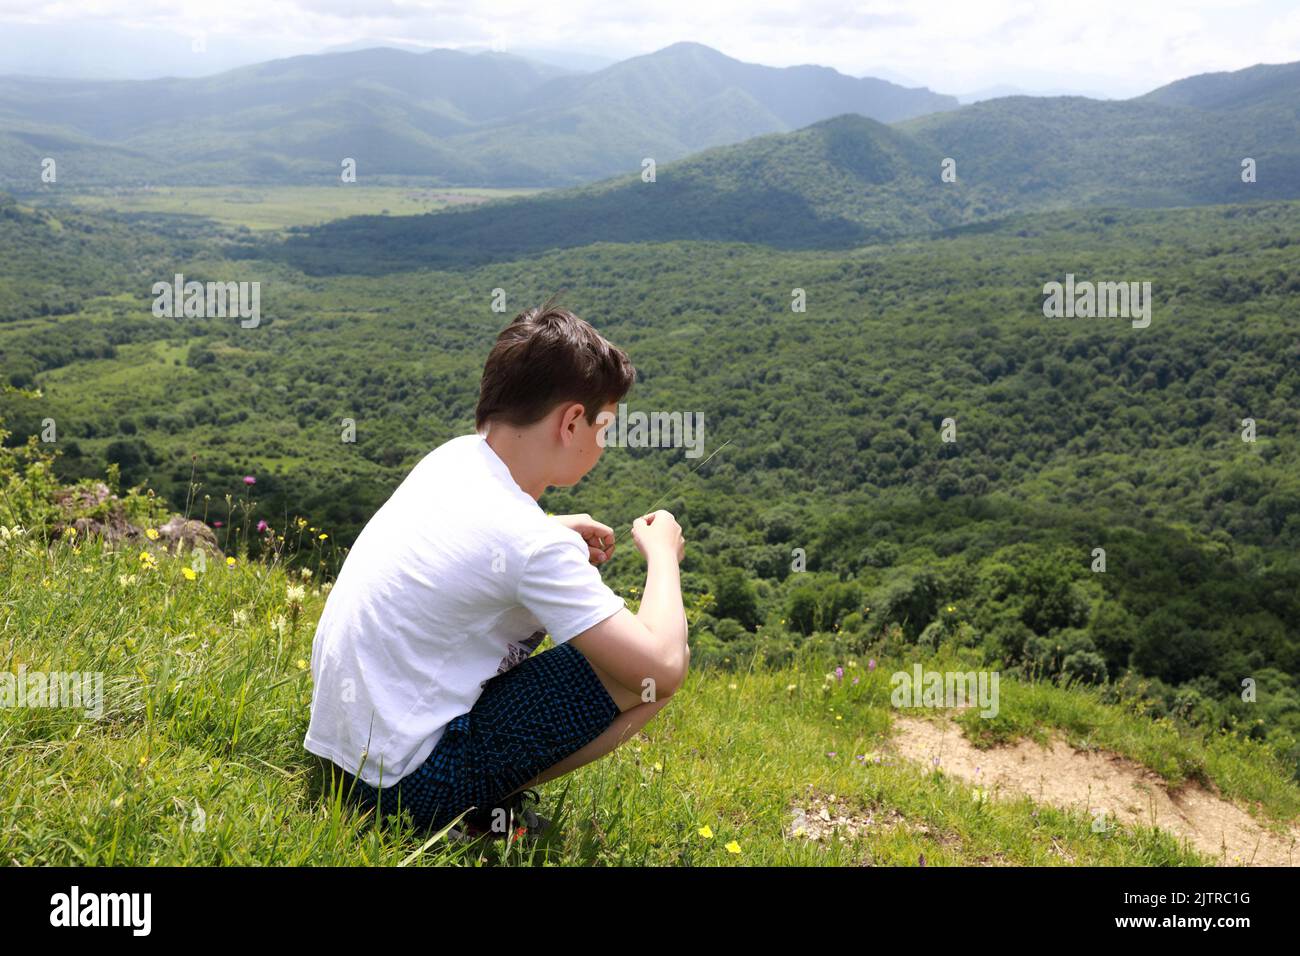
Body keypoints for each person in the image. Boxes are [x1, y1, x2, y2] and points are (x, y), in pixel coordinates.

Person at [303, 298, 690, 843]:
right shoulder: (529, 543)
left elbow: (479, 544)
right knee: (646, 684)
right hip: (403, 791)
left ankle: (467, 795)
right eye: (604, 425)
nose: (604, 441)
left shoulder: (453, 458)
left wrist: (551, 530)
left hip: (343, 751)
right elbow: (663, 666)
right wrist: (662, 560)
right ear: (572, 421)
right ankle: (466, 811)